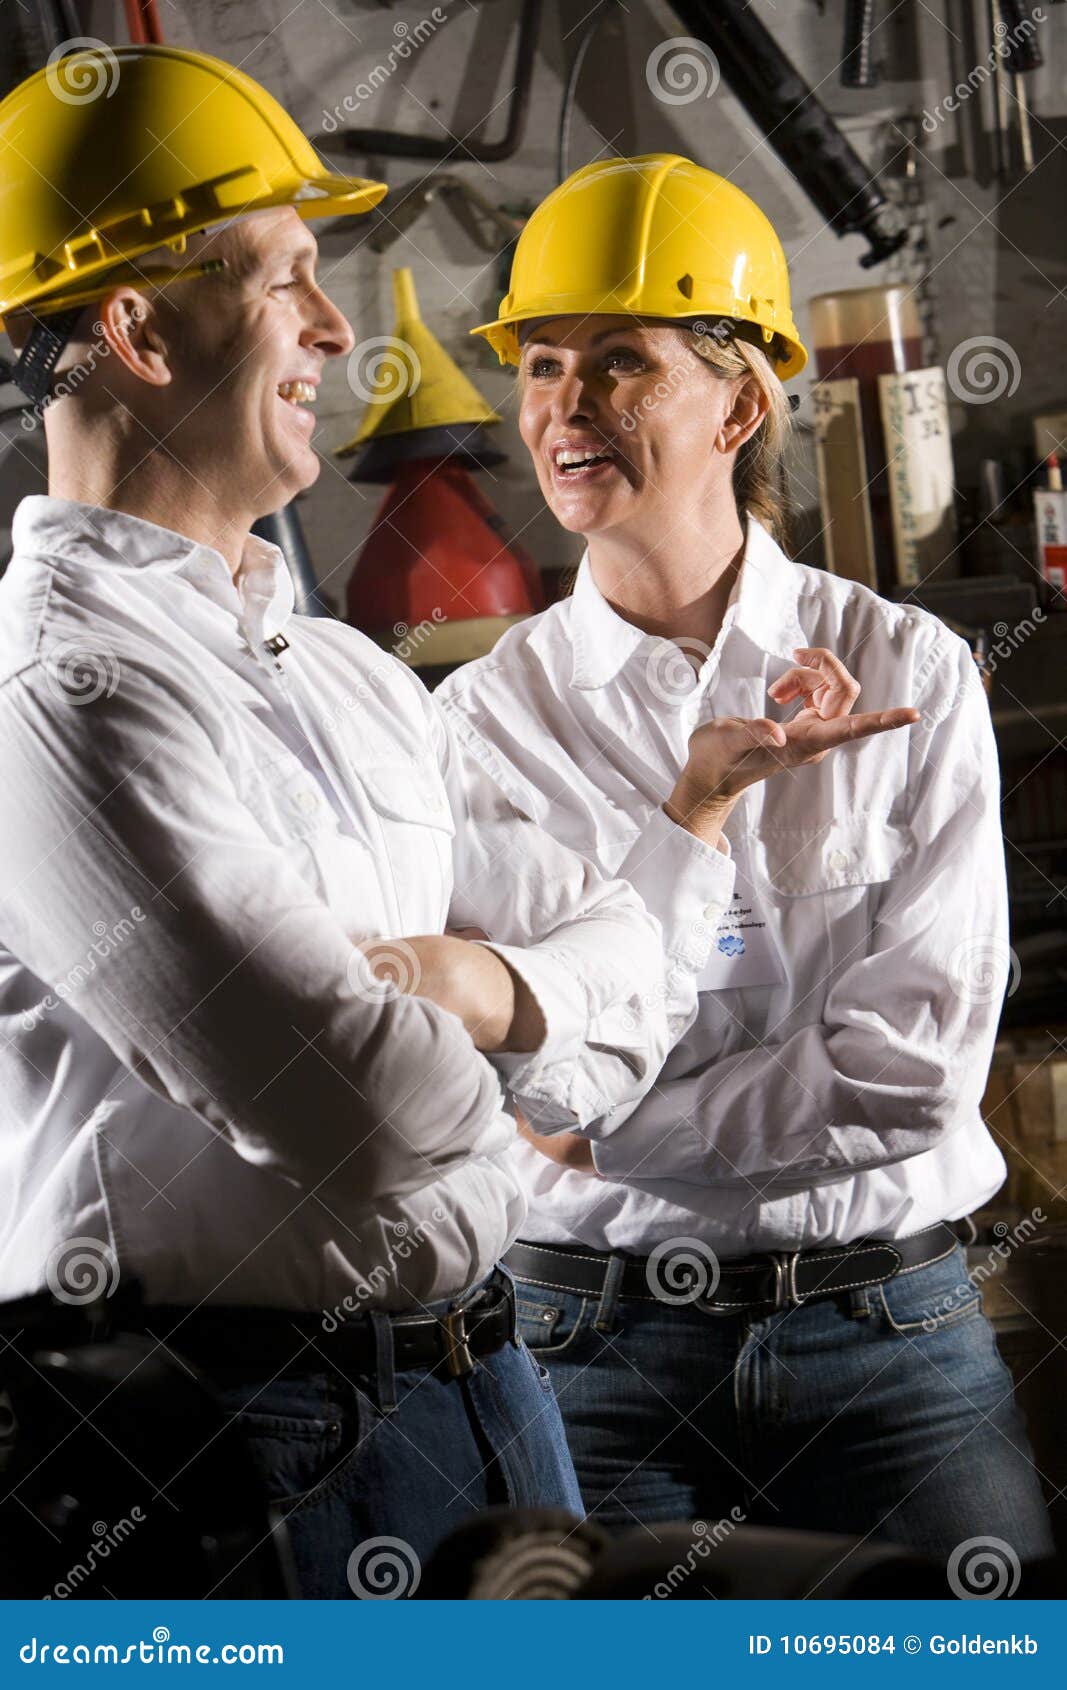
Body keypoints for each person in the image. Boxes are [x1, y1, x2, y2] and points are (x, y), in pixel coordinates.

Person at [0, 56, 752, 1599]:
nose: (339, 329)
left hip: (493, 1386)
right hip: (244, 1440)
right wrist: (512, 1031)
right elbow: (356, 1110)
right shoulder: (60, 695)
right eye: (286, 281)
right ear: (136, 330)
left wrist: (470, 986)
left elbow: (645, 976)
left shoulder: (344, 671)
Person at [439, 153, 1054, 1568]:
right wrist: (570, 1094)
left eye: (619, 361)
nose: (565, 407)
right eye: (541, 365)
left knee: (990, 1664)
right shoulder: (477, 730)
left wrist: (607, 1125)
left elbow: (909, 1070)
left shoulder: (913, 671)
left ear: (744, 398)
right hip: (590, 1343)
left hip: (891, 1333)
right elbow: (519, 1068)